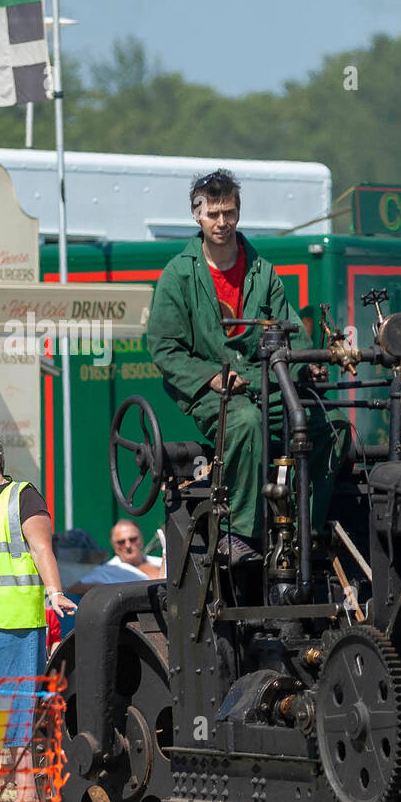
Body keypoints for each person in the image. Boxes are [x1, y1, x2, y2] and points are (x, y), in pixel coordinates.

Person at [149, 169, 340, 563]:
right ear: (196, 216)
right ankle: (238, 535)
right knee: (246, 422)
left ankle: (310, 530)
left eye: (229, 213)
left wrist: (309, 364)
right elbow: (165, 349)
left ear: (238, 213)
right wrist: (212, 377)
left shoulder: (263, 271)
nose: (222, 223)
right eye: (213, 214)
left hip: (265, 384)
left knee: (334, 428)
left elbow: (291, 334)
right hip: (211, 396)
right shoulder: (178, 275)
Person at [0, 430, 75, 802]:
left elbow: (42, 547)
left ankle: (28, 793)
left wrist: (55, 591)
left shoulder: (22, 495)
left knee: (17, 702)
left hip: (16, 617)